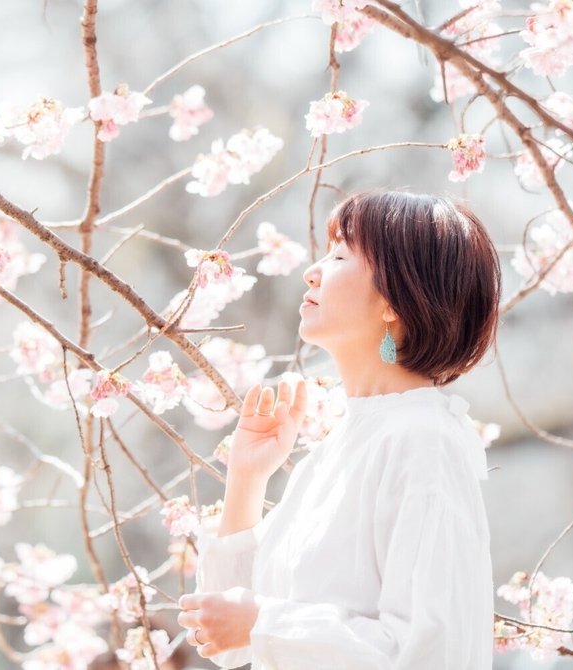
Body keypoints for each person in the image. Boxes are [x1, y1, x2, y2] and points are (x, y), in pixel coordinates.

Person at [175, 190, 501, 669]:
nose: (312, 271)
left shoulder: (423, 439)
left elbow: (430, 650)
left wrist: (265, 623)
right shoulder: (336, 448)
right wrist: (246, 479)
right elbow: (228, 635)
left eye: (340, 256)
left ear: (393, 300)